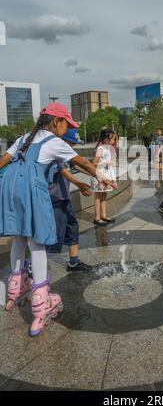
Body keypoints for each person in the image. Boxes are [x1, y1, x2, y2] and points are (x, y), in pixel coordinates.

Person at [0, 103, 105, 336]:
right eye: (66, 123)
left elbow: (4, 160)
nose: (66, 128)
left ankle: (14, 290)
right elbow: (83, 163)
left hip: (9, 189)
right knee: (37, 243)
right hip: (31, 191)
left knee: (19, 237)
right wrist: (100, 176)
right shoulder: (54, 141)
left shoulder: (25, 137)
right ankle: (41, 303)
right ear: (56, 121)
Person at [46, 128, 94, 272]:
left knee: (72, 227)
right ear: (62, 140)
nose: (72, 146)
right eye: (70, 143)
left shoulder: (66, 153)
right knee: (52, 233)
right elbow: (62, 170)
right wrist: (78, 183)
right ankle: (32, 264)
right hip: (54, 197)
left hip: (64, 196)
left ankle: (73, 261)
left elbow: (77, 165)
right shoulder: (55, 152)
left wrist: (96, 175)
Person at [92, 128, 118, 226]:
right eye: (113, 139)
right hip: (99, 176)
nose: (114, 141)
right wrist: (106, 162)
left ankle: (103, 215)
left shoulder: (109, 149)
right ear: (106, 139)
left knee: (103, 196)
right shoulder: (100, 149)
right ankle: (97, 218)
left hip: (106, 176)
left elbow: (110, 167)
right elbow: (94, 163)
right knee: (98, 197)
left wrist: (113, 180)